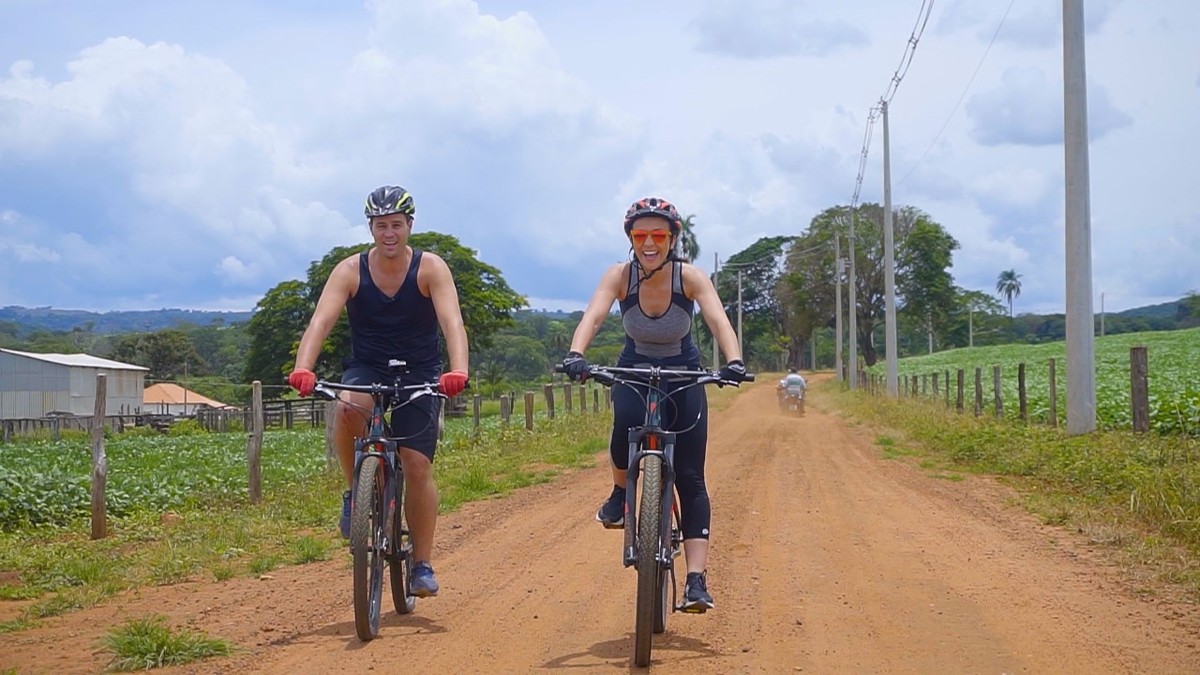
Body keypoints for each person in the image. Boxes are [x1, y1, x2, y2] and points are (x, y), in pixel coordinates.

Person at [561, 196, 749, 612]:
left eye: (658, 235)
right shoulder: (620, 276)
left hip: (683, 372)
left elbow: (718, 319)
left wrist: (733, 361)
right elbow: (593, 316)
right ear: (630, 238)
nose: (649, 242)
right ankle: (618, 493)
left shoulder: (690, 277)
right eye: (640, 234)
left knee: (689, 473)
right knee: (622, 429)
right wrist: (577, 353)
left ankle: (696, 580)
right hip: (634, 368)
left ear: (672, 239)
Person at [287, 185, 469, 598]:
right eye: (381, 225)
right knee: (349, 407)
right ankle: (356, 491)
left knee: (417, 463)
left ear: (409, 226)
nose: (389, 233)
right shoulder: (350, 270)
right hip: (368, 367)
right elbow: (320, 322)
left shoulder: (430, 268)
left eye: (397, 225)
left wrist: (459, 370)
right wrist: (303, 368)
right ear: (371, 227)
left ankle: (421, 563)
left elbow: (452, 322)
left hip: (420, 372)